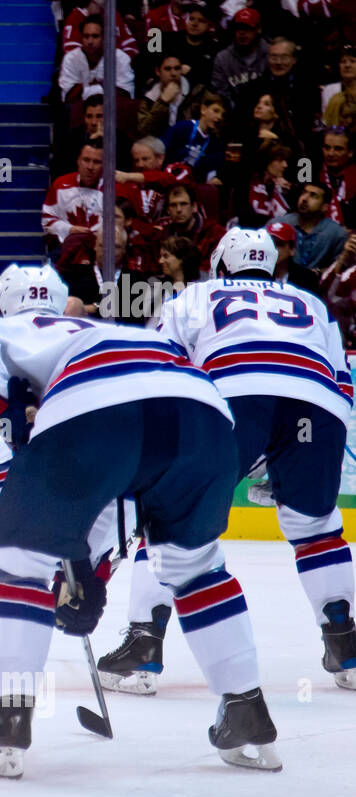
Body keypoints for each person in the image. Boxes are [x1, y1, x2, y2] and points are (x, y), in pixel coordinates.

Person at [0, 257, 284, 776]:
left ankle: (8, 720)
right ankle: (246, 709)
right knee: (195, 567)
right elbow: (116, 485)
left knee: (19, 562)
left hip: (99, 410)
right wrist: (88, 570)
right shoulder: (104, 329)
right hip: (204, 415)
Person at [96, 229, 356, 696]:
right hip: (319, 409)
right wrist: (287, 464)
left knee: (168, 521)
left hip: (234, 395)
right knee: (316, 528)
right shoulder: (309, 302)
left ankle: (143, 643)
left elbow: (161, 365)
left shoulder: (196, 295)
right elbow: (341, 383)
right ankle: (346, 644)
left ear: (221, 265)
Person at [272, 183, 348, 272]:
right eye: (304, 193)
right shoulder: (277, 225)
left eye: (313, 196)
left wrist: (319, 272)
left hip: (316, 283)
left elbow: (339, 269)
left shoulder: (336, 234)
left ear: (324, 207)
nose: (304, 199)